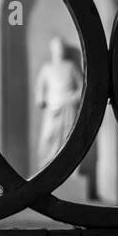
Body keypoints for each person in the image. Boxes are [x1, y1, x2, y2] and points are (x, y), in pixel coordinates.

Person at [34, 34, 83, 169]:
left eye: (61, 47)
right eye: (57, 47)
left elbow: (82, 87)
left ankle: (70, 169)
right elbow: (40, 87)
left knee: (69, 137)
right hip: (52, 107)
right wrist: (40, 98)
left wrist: (73, 97)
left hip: (68, 108)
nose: (59, 50)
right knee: (47, 138)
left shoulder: (71, 66)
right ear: (52, 50)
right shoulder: (47, 68)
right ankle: (46, 167)